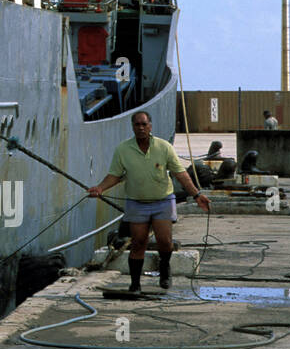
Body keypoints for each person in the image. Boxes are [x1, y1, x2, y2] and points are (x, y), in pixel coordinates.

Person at [88, 111, 211, 292]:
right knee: (138, 243)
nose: (141, 128)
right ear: (133, 127)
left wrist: (196, 195)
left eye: (144, 124)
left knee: (165, 241)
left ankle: (164, 269)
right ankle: (135, 284)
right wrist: (99, 188)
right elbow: (114, 175)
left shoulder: (164, 147)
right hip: (137, 203)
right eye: (137, 125)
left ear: (150, 126)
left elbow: (181, 174)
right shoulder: (123, 150)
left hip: (162, 201)